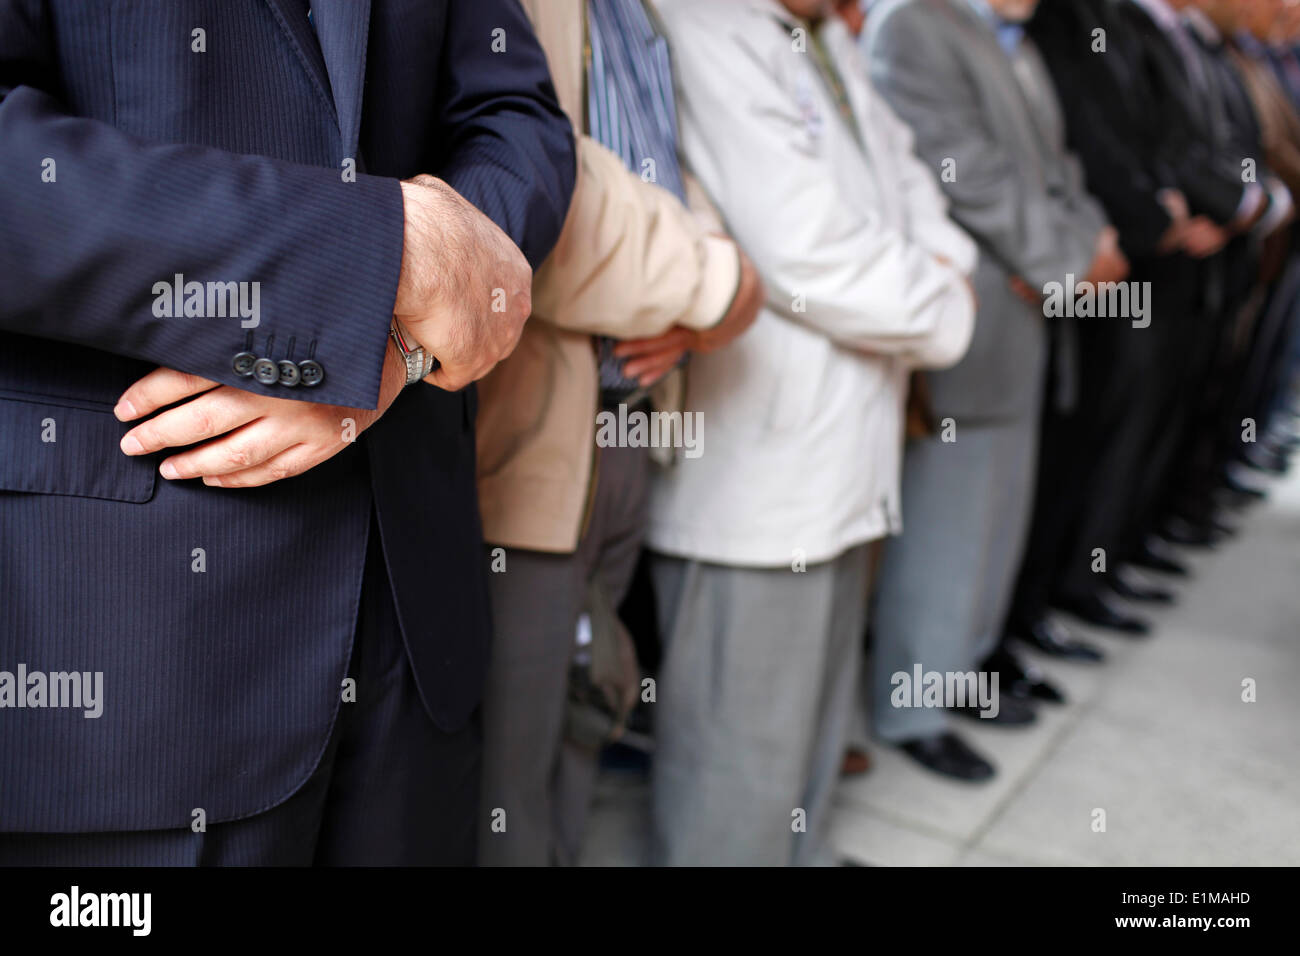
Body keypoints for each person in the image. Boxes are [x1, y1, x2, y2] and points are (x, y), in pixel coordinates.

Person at [0, 0, 574, 865]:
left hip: (412, 616)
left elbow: (514, 117)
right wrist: (364, 270)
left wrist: (398, 339)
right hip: (122, 646)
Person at [646, 0, 976, 865]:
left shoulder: (826, 37)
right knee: (738, 750)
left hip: (849, 441)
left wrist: (943, 271)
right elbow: (809, 252)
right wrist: (943, 301)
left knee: (813, 722)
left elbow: (913, 187)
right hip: (762, 460)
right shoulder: (705, 25)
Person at [476, 0, 763, 866]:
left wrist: (714, 292)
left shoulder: (637, 13)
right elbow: (538, 201)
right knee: (507, 766)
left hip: (628, 423)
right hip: (527, 444)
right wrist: (716, 284)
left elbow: (668, 177)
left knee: (589, 703)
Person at [864, 0, 1124, 780]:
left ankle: (959, 672)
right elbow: (966, 173)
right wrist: (1071, 263)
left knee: (992, 520)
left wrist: (1089, 244)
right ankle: (911, 708)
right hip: (974, 315)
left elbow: (1061, 172)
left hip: (1027, 312)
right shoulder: (911, 25)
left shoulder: (1012, 42)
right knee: (949, 524)